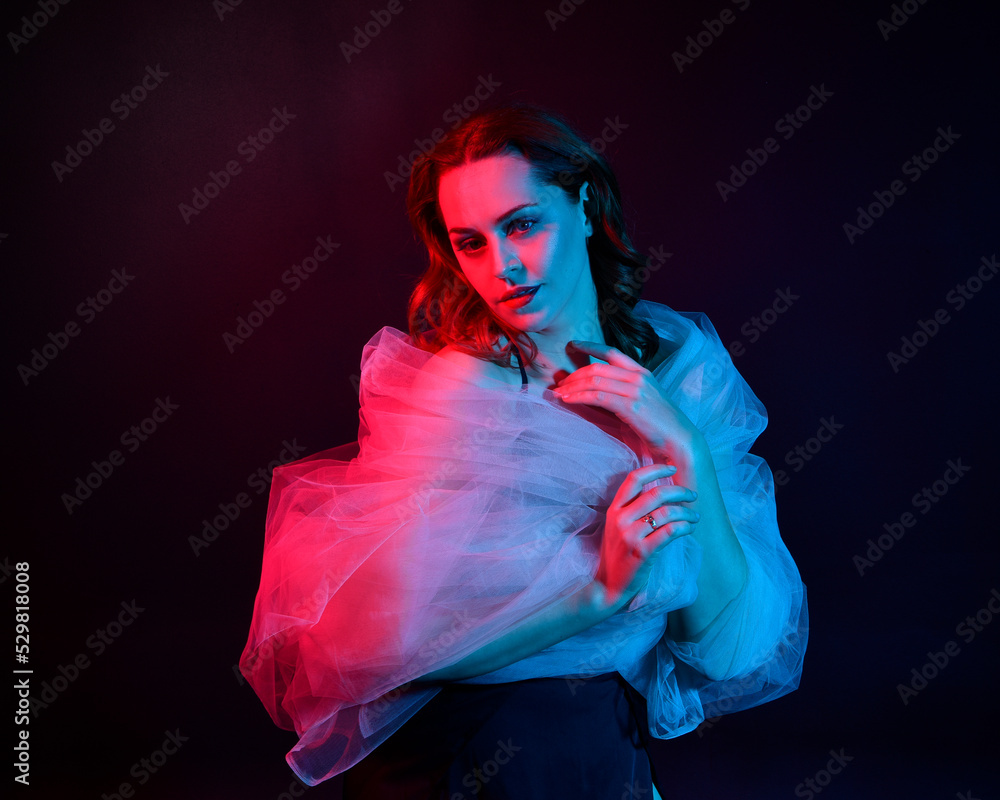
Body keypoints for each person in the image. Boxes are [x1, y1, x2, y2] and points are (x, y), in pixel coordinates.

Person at [239, 104, 808, 799]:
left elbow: (726, 651)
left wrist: (681, 443)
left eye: (523, 224)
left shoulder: (675, 373)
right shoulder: (462, 395)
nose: (503, 264)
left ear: (587, 205)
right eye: (471, 242)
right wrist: (598, 591)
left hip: (607, 756)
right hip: (479, 764)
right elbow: (378, 654)